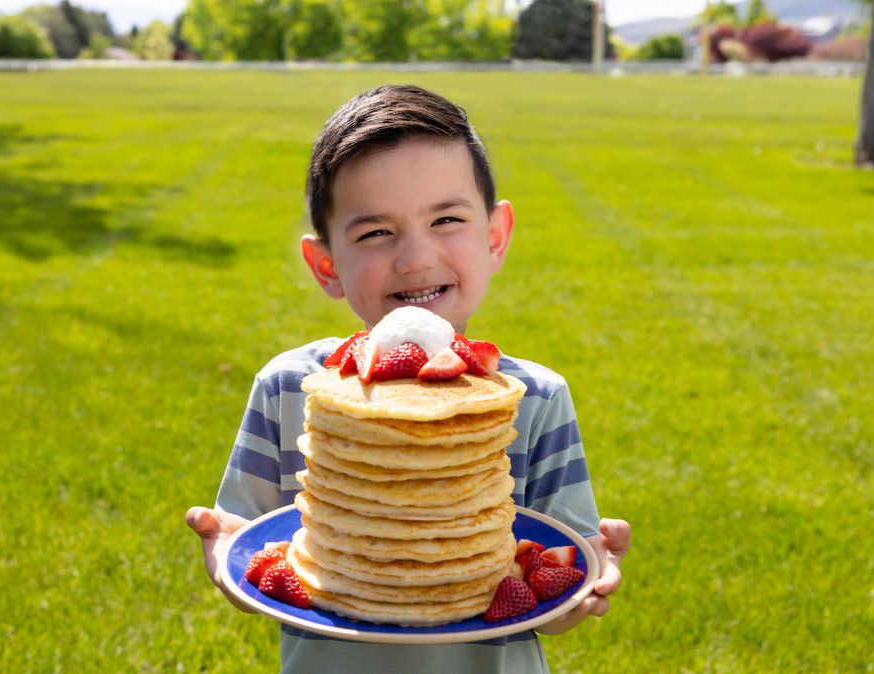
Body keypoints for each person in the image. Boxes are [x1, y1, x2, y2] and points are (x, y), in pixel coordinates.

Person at [185, 84, 631, 673]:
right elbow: (250, 546)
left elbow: (556, 578)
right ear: (326, 264)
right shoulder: (290, 388)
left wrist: (584, 584)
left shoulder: (535, 400)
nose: (416, 258)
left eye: (446, 219)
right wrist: (224, 556)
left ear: (494, 237)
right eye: (375, 232)